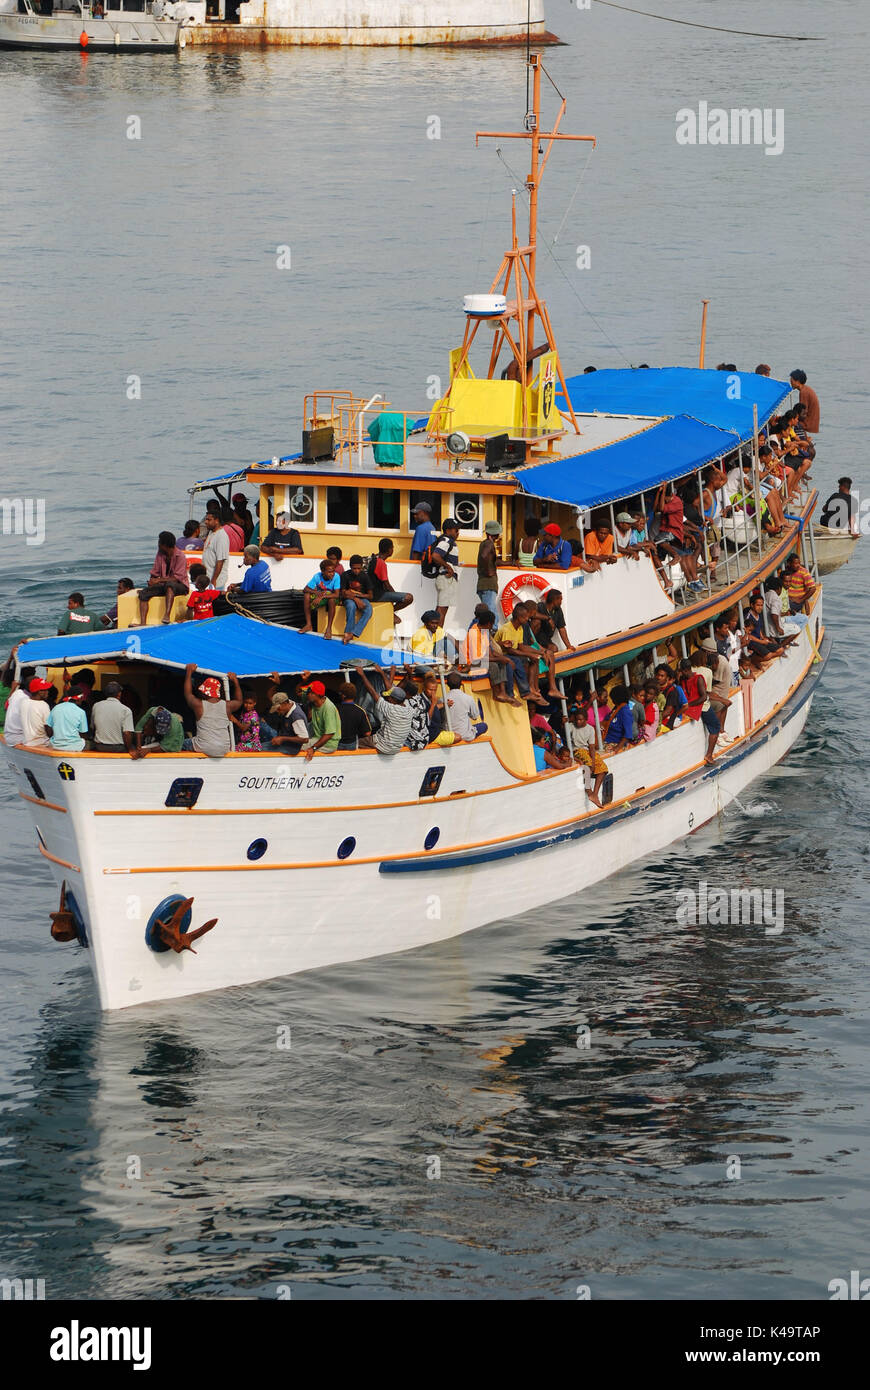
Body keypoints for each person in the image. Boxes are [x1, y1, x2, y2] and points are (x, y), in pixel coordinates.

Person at [183, 666, 241, 756]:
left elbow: (188, 694)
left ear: (204, 692)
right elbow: (239, 701)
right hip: (224, 748)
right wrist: (235, 681)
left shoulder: (199, 705)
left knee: (181, 742)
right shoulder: (228, 706)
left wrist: (189, 672)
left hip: (204, 747)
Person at [355, 665, 413, 754]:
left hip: (384, 746)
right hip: (397, 748)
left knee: (354, 743)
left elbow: (372, 692)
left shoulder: (390, 709)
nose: (387, 698)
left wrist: (362, 675)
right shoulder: (408, 707)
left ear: (394, 700)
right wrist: (385, 673)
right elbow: (390, 688)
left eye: (389, 697)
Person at [136, 531, 190, 626]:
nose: (158, 544)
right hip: (164, 584)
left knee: (170, 585)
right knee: (144, 594)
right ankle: (143, 623)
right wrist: (152, 581)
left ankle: (167, 615)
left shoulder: (180, 556)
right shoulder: (160, 554)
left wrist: (159, 580)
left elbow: (178, 577)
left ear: (165, 545)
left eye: (160, 542)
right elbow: (155, 571)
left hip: (180, 585)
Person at [568, 706, 608, 806]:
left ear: (586, 719)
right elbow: (563, 726)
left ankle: (595, 794)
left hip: (586, 750)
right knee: (588, 765)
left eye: (580, 720)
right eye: (577, 719)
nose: (578, 722)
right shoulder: (571, 726)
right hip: (577, 750)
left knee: (603, 768)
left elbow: (591, 747)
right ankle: (588, 790)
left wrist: (594, 761)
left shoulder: (590, 729)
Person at [367, 538, 413, 624]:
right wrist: (395, 596)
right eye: (392, 548)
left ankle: (390, 611)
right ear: (389, 550)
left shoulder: (374, 558)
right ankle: (390, 611)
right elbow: (387, 584)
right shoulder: (381, 563)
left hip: (373, 593)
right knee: (409, 597)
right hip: (378, 595)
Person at [91, 681, 139, 754]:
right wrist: (131, 749)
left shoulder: (96, 706)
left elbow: (93, 727)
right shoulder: (125, 710)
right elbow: (127, 733)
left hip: (99, 747)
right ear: (119, 694)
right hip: (118, 748)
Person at [428, 518, 461, 625]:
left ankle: (437, 634)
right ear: (448, 530)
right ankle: (438, 635)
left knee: (441, 608)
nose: (458, 533)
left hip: (445, 579)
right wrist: (449, 567)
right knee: (442, 610)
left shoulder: (445, 540)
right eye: (456, 530)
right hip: (446, 579)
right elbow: (436, 556)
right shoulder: (446, 540)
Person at [265, 684, 310, 755]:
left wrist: (282, 738)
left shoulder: (296, 716)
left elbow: (304, 739)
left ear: (285, 703)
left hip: (292, 748)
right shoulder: (289, 704)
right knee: (260, 747)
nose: (278, 711)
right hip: (285, 743)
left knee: (263, 750)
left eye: (278, 708)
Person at [339, 554, 374, 643]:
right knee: (351, 606)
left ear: (362, 567)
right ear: (350, 567)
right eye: (354, 568)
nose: (357, 571)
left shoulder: (365, 576)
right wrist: (355, 598)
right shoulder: (345, 575)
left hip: (360, 597)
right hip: (348, 598)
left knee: (369, 609)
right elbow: (343, 593)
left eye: (359, 568)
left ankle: (353, 633)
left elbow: (370, 595)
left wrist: (358, 596)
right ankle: (348, 632)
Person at [301, 681, 341, 760]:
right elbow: (300, 692)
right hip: (317, 736)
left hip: (328, 743)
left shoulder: (328, 708)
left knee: (298, 746)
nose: (307, 694)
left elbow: (329, 734)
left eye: (309, 692)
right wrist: (305, 680)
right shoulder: (315, 701)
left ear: (317, 695)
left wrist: (313, 748)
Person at [302, 559, 340, 638]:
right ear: (322, 571)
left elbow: (336, 594)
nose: (332, 574)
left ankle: (329, 629)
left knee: (332, 600)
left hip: (331, 597)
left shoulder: (336, 577)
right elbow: (305, 589)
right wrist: (318, 593)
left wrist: (322, 596)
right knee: (306, 595)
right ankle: (309, 624)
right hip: (321, 596)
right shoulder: (317, 576)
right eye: (329, 572)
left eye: (333, 571)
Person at [444, 672, 487, 742]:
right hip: (465, 736)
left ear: (447, 684)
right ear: (461, 683)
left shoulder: (442, 700)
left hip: (449, 736)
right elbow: (475, 716)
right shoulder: (468, 698)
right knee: (484, 726)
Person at [45, 686, 90, 752]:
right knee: (92, 744)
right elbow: (83, 734)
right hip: (75, 746)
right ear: (80, 698)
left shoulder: (56, 708)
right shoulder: (81, 712)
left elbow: (48, 729)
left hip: (55, 745)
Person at [476, 521, 502, 618]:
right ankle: (488, 632)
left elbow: (491, 560)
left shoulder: (484, 543)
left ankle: (489, 632)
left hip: (483, 584)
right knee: (489, 614)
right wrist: (489, 571)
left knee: (491, 613)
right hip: (488, 584)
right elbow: (484, 556)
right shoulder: (489, 544)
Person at [337, 682, 373, 750]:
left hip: (337, 742)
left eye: (340, 693)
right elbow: (367, 733)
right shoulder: (360, 711)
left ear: (343, 695)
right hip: (352, 744)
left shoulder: (335, 709)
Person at [202, 511, 231, 591]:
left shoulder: (221, 536)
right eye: (206, 519)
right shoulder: (211, 532)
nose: (205, 522)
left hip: (216, 582)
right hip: (208, 579)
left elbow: (220, 561)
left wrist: (214, 580)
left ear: (217, 521)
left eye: (209, 520)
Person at [20, 677, 53, 746]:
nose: (48, 692)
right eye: (45, 690)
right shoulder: (43, 705)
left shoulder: (24, 702)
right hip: (41, 743)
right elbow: (49, 731)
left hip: (26, 742)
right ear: (39, 692)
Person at [603, 684, 636, 751]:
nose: (612, 701)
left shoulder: (625, 711)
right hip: (607, 739)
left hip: (615, 742)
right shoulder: (617, 708)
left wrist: (617, 747)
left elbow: (628, 733)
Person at [655, 665, 688, 729]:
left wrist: (654, 721)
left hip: (668, 719)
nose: (659, 677)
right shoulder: (654, 688)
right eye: (658, 675)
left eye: (662, 676)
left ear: (667, 678)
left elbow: (667, 712)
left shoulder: (672, 691)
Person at [789, 369, 820, 433]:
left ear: (797, 381)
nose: (791, 383)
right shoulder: (807, 389)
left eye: (792, 381)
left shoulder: (804, 392)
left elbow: (802, 413)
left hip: (808, 424)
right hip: (813, 423)